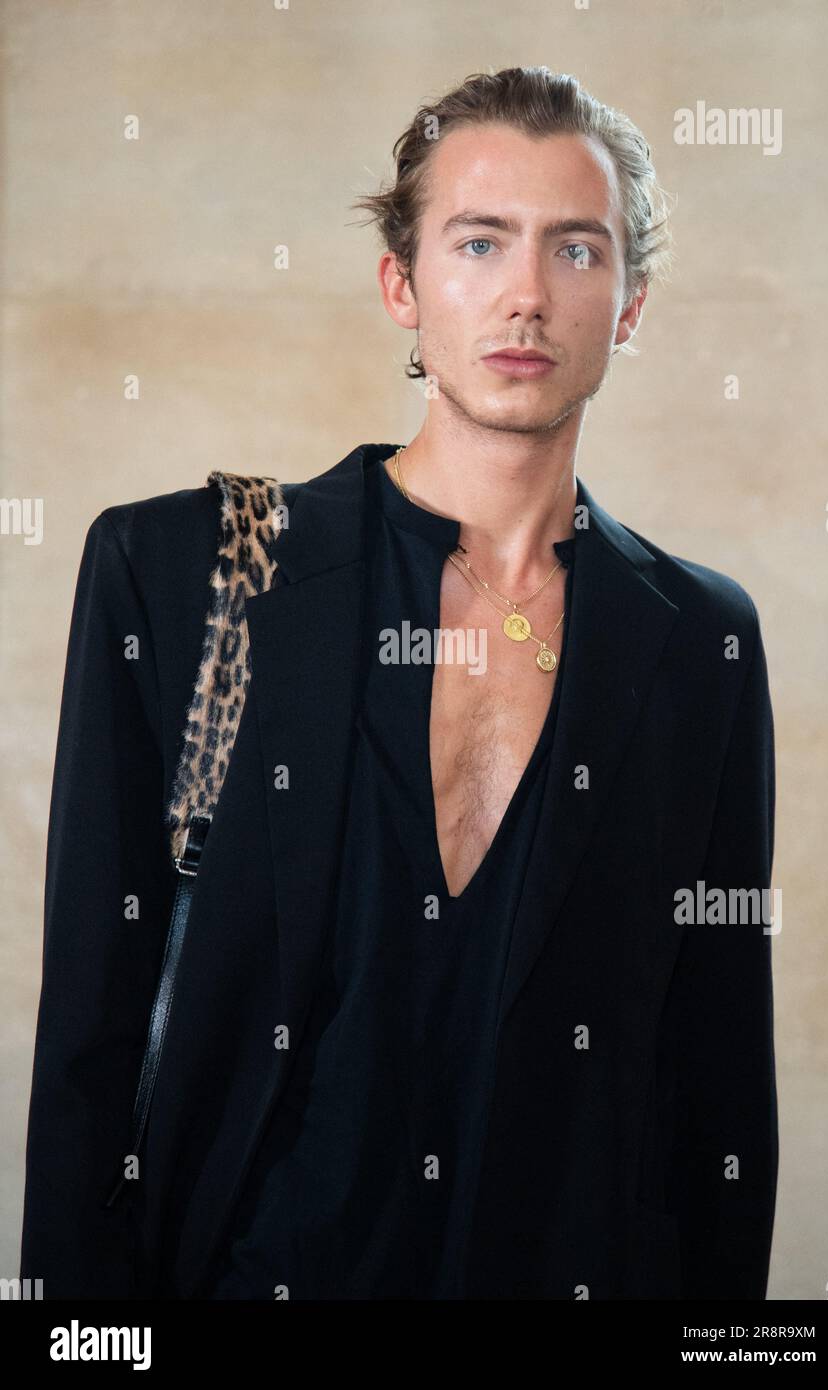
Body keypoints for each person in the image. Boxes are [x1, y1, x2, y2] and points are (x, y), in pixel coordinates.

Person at [20, 65, 778, 1301]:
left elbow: (717, 1082)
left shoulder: (699, 642)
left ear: (629, 303)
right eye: (478, 243)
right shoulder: (188, 574)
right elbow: (90, 1043)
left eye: (575, 252)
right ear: (402, 286)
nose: (525, 296)